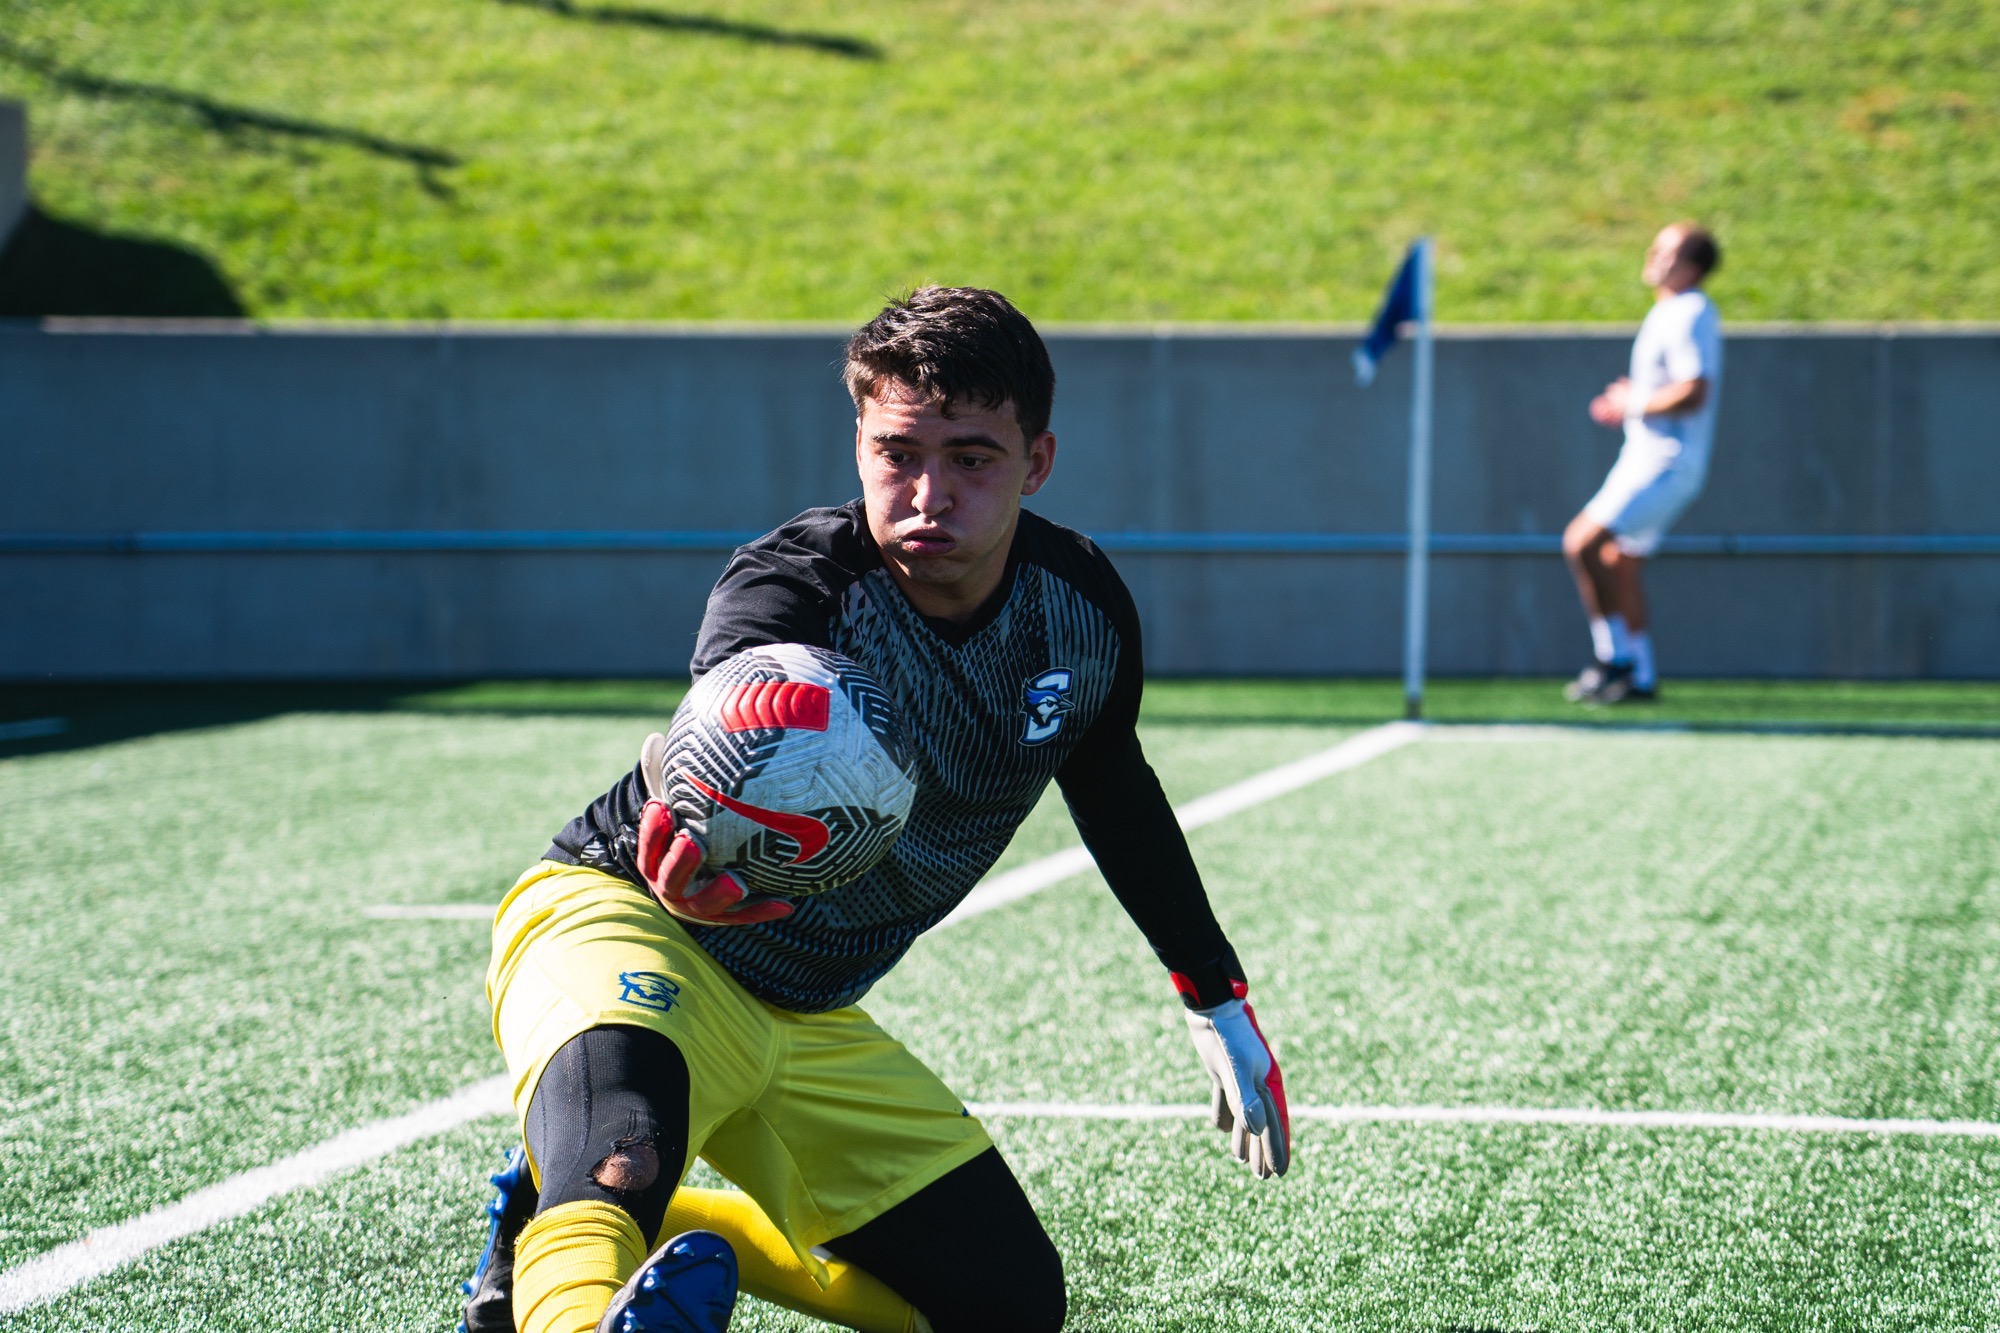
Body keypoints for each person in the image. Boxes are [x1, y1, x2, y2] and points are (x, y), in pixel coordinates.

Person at [460, 287, 1290, 1333]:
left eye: (972, 458)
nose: (927, 494)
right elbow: (726, 711)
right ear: (858, 442)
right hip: (634, 923)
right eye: (897, 453)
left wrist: (1210, 993)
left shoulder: (1076, 608)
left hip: (807, 1007)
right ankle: (577, 1276)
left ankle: (582, 1220)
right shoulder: (794, 589)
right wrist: (690, 845)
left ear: (1035, 462)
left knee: (1009, 1307)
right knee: (617, 1147)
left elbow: (1112, 788)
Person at [1561, 223, 1724, 704]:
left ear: (1691, 267)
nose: (1653, 255)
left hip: (1663, 463)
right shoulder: (1670, 311)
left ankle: (1613, 658)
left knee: (1582, 542)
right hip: (1648, 458)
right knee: (1620, 561)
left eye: (1667, 251)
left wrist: (1634, 401)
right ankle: (1642, 676)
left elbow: (1695, 390)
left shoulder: (1690, 310)